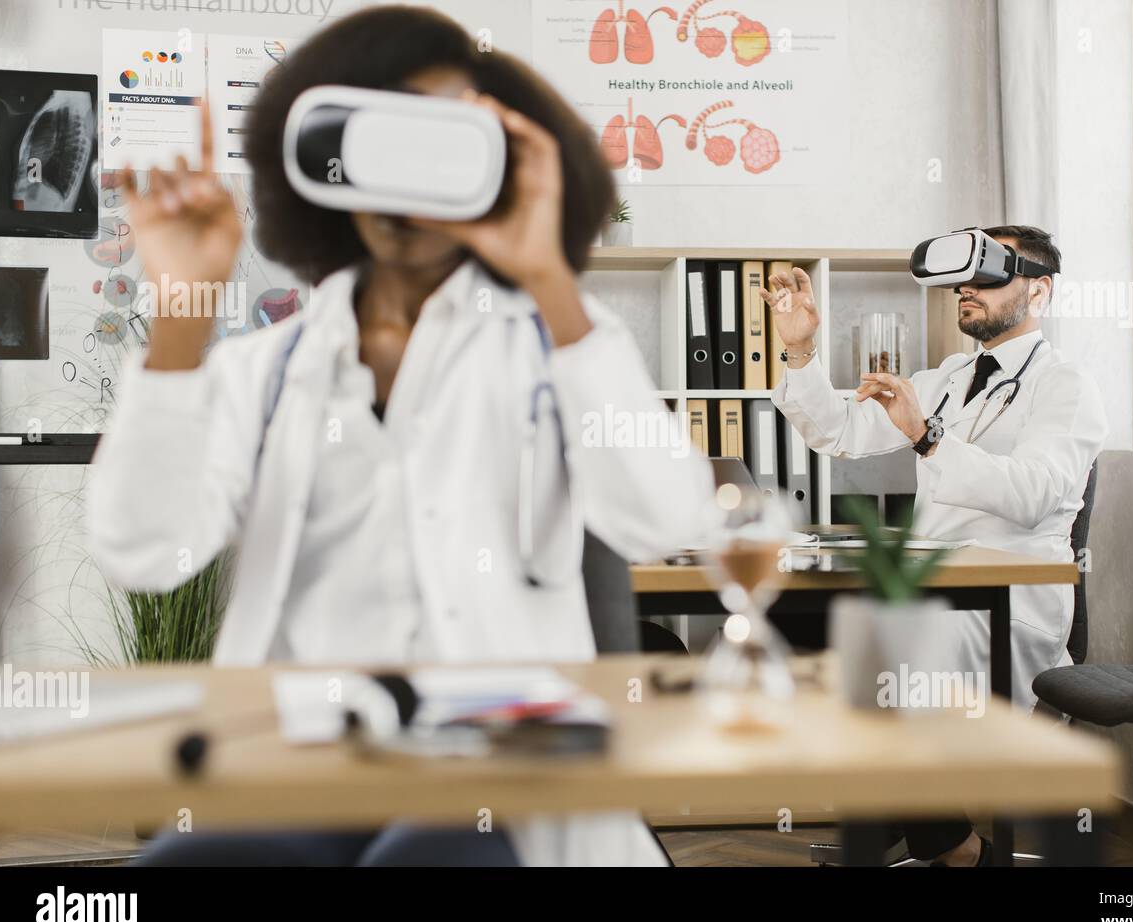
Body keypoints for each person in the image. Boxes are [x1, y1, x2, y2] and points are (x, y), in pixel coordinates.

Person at [87, 6, 713, 866]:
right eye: (372, 146)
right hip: (295, 766)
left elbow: (669, 524)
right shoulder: (264, 371)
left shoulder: (558, 345)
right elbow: (142, 552)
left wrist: (549, 277)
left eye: (437, 146)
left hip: (500, 775)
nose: (401, 187)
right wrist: (181, 316)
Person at [766, 225, 1108, 866]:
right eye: (964, 278)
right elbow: (840, 431)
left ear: (1040, 291)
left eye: (991, 273)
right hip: (929, 589)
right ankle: (909, 822)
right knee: (790, 617)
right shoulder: (948, 376)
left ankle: (949, 845)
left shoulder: (1066, 386)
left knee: (886, 656)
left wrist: (927, 438)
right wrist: (801, 348)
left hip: (1007, 601)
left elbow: (1034, 492)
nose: (968, 289)